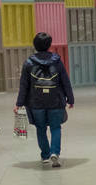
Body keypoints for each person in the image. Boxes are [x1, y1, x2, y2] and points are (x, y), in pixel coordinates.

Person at [15, 32, 74, 167]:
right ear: (49, 45)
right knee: (55, 127)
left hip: (36, 102)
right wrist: (70, 99)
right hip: (56, 101)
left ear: (35, 45)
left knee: (40, 128)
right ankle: (55, 153)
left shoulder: (29, 63)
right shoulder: (57, 61)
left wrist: (19, 103)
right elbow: (65, 81)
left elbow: (24, 85)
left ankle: (45, 155)